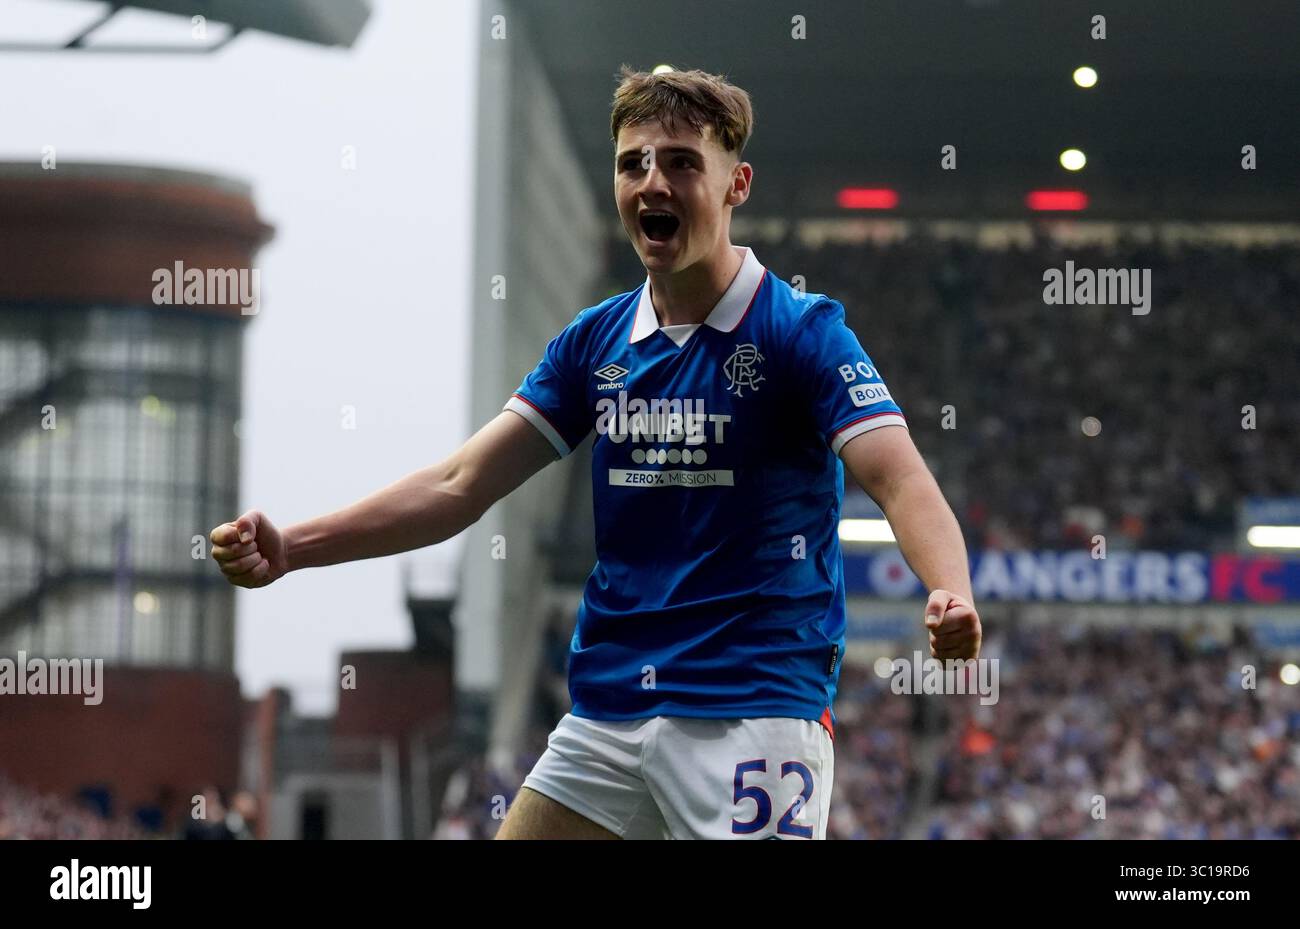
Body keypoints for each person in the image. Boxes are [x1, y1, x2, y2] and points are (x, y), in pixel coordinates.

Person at [210, 66, 980, 840]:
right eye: (633, 163)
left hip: (753, 712)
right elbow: (459, 483)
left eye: (682, 162)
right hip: (609, 714)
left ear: (736, 182)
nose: (653, 182)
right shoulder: (594, 343)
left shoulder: (801, 332)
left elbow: (899, 476)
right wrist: (294, 548)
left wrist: (951, 590)